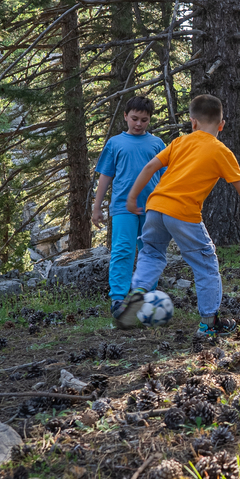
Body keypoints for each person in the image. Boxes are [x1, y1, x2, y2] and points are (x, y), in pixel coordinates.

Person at [114, 94, 240, 336]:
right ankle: (209, 323)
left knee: (151, 253)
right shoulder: (220, 151)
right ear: (221, 125)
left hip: (155, 207)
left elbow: (150, 167)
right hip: (183, 212)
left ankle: (136, 293)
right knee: (206, 264)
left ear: (193, 123)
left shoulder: (180, 142)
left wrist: (131, 197)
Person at [91, 96, 167, 325]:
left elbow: (167, 177)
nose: (138, 124)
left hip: (152, 208)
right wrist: (97, 208)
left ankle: (145, 298)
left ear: (149, 120)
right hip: (123, 207)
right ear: (125, 116)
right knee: (122, 250)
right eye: (134, 118)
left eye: (144, 120)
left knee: (150, 253)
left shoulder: (157, 144)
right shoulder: (115, 143)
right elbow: (105, 176)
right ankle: (118, 298)